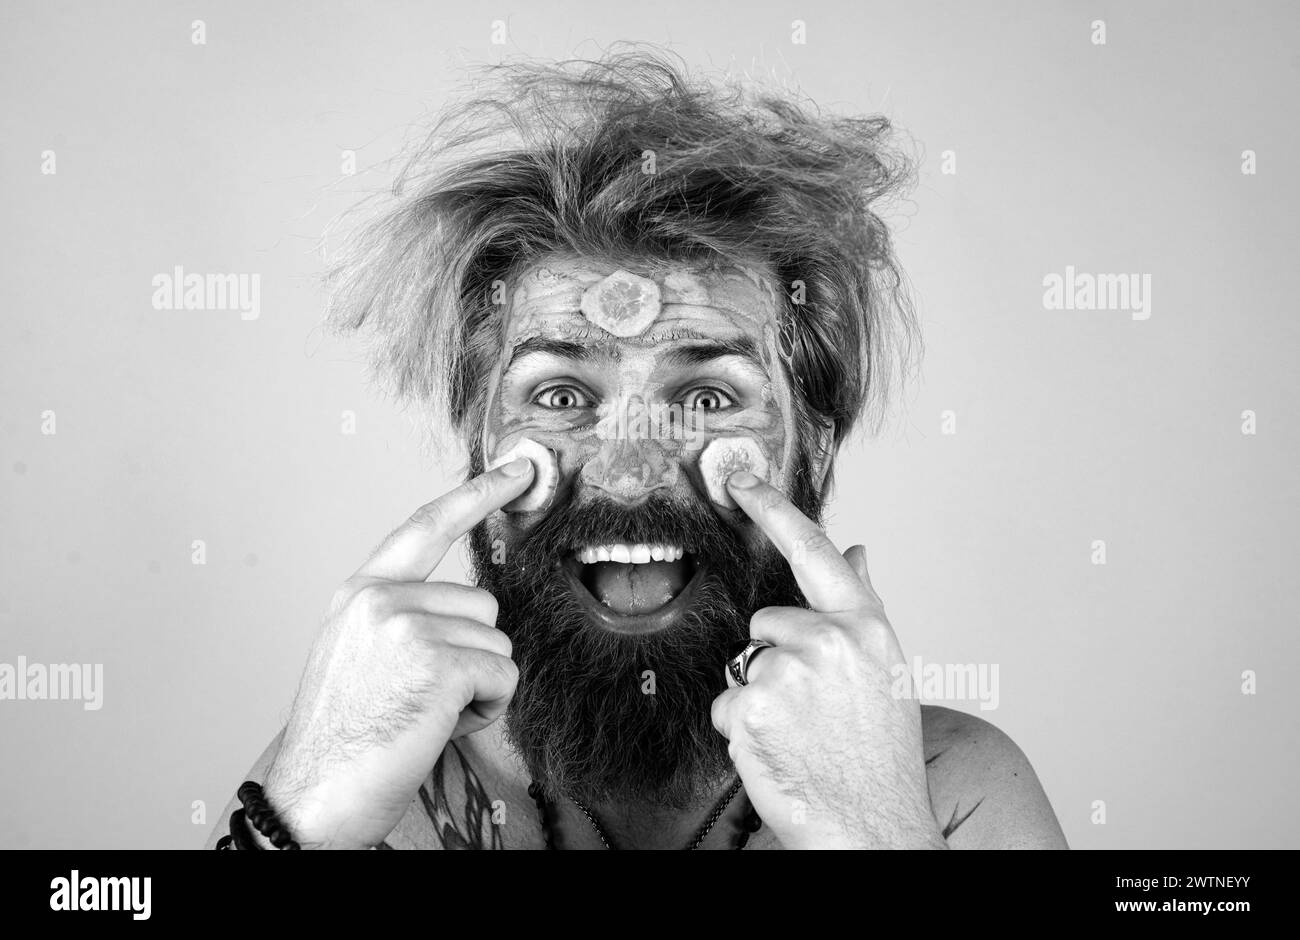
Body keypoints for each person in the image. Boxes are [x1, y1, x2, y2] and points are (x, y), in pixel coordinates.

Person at [207, 49, 1066, 850]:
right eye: (562, 396)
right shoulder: (365, 771)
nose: (625, 474)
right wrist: (300, 824)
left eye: (705, 398)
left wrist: (873, 830)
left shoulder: (948, 789)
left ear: (816, 448)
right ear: (479, 444)